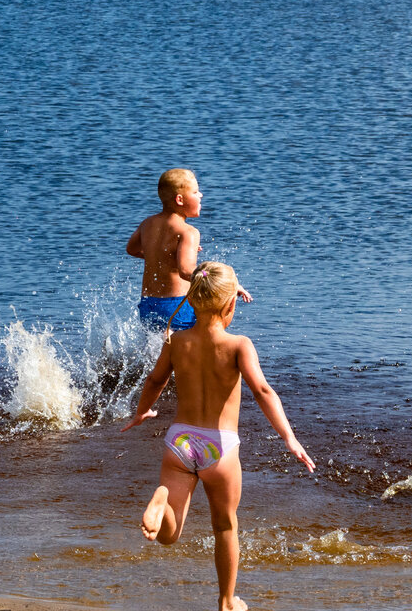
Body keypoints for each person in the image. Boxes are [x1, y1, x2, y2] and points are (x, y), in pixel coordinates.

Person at [121, 261, 315, 611]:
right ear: (231, 305)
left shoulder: (177, 341)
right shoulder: (239, 345)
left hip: (179, 442)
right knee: (225, 526)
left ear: (192, 299)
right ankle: (227, 601)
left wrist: (142, 412)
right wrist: (289, 437)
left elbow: (154, 381)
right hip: (220, 448)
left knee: (168, 535)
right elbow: (263, 391)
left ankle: (161, 500)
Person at [127, 169, 251, 332]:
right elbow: (185, 271)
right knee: (214, 322)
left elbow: (131, 249)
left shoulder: (147, 224)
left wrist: (163, 257)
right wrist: (221, 282)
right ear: (180, 199)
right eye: (195, 192)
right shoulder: (188, 232)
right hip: (177, 307)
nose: (201, 195)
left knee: (161, 349)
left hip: (148, 305)